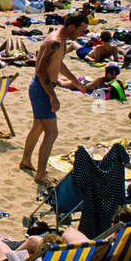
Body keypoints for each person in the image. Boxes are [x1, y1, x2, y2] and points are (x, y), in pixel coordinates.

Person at [21, 12, 90, 183]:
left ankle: (26, 160)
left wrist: (76, 82)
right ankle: (40, 174)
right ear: (72, 27)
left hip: (43, 88)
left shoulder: (61, 41)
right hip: (41, 88)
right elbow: (40, 69)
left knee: (38, 127)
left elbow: (59, 64)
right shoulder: (55, 42)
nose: (83, 35)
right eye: (82, 31)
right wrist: (52, 96)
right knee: (52, 133)